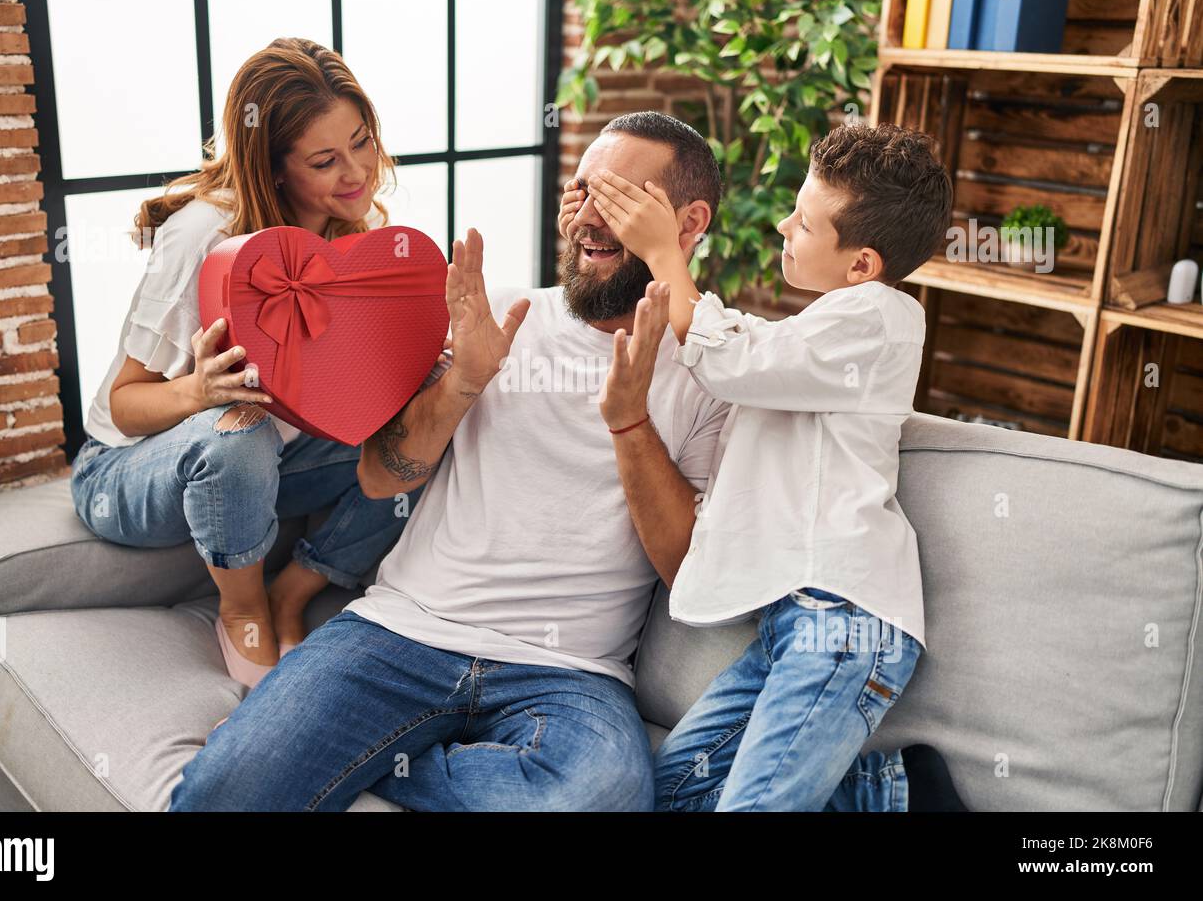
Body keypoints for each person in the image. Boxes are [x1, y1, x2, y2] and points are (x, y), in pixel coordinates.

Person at [168, 111, 731, 811]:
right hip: (403, 632)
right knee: (218, 795)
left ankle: (375, 761)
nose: (589, 217)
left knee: (602, 794)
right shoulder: (494, 317)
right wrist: (463, 381)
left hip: (570, 673)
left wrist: (630, 421)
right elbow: (381, 477)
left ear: (688, 221)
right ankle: (361, 748)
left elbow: (686, 570)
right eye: (582, 192)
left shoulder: (718, 368)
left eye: (618, 200)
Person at [580, 119, 967, 811]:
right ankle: (892, 792)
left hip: (844, 624)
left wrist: (667, 258)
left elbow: (737, 360)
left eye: (807, 223)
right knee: (670, 793)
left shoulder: (881, 320)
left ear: (862, 266)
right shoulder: (814, 336)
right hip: (794, 627)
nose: (785, 227)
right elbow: (751, 352)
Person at [69, 37, 443, 691]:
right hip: (128, 471)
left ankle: (291, 591)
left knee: (439, 412)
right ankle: (241, 609)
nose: (356, 171)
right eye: (325, 160)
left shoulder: (349, 231)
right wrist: (196, 391)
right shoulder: (201, 235)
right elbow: (125, 406)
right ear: (272, 167)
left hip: (272, 459)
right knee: (241, 427)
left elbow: (345, 392)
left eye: (361, 141)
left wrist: (424, 363)